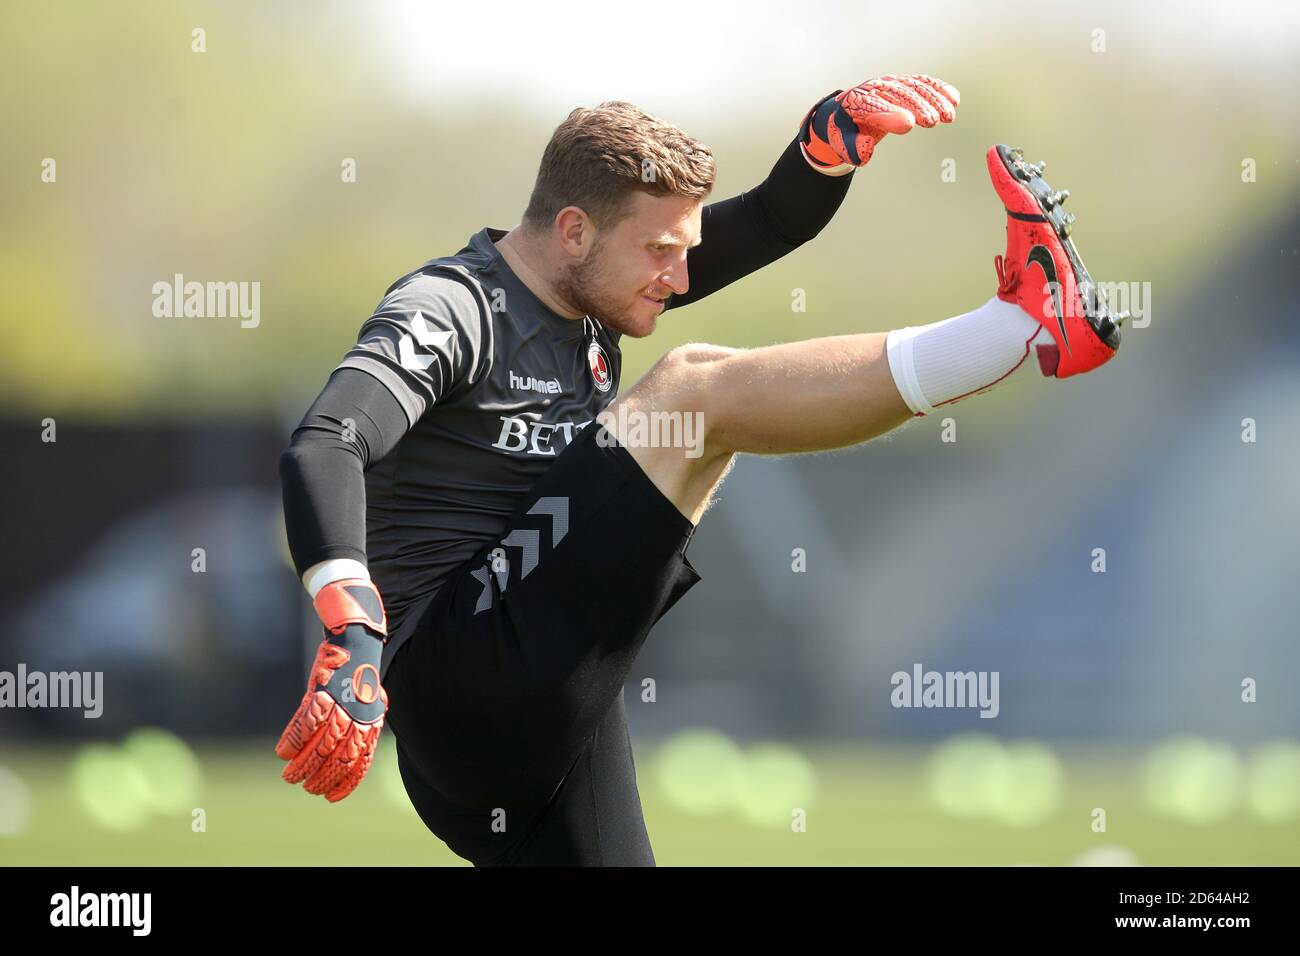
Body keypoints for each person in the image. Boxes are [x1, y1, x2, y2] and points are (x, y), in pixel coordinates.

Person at [275, 75, 1125, 865]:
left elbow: (766, 223)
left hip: (542, 711)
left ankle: (1028, 322)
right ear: (573, 228)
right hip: (467, 686)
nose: (680, 275)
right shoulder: (453, 308)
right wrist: (351, 630)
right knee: (694, 391)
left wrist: (824, 149)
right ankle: (1022, 323)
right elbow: (326, 442)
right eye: (660, 251)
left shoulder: (605, 281)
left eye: (684, 248)